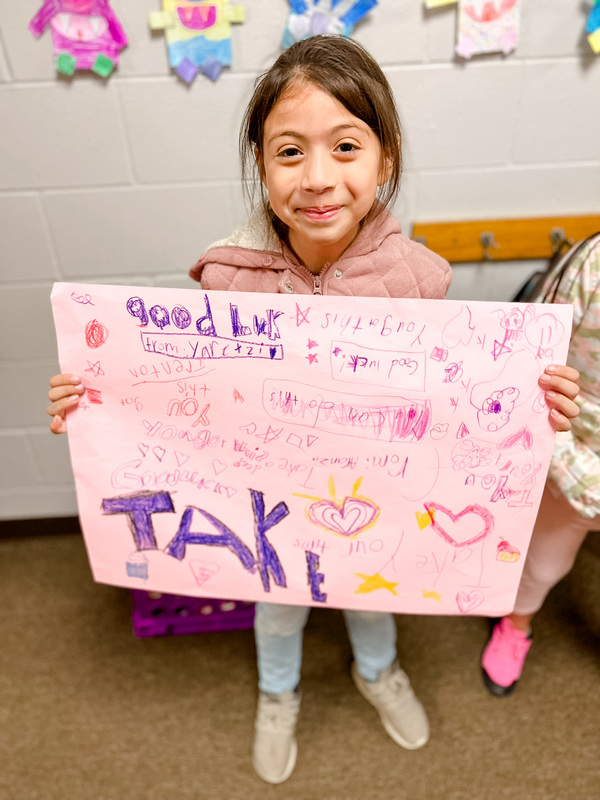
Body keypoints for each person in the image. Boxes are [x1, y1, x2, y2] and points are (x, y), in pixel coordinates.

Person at [47, 35, 580, 784]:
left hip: (375, 495)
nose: (318, 178)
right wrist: (96, 396)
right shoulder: (230, 277)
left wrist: (531, 404)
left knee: (372, 601)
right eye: (289, 152)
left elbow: (453, 400)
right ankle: (278, 693)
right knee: (278, 609)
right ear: (261, 168)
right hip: (266, 499)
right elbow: (184, 396)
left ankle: (377, 672)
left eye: (346, 146)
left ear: (385, 160)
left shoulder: (419, 281)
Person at [481, 233, 600, 698]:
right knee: (544, 566)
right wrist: (577, 474)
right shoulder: (591, 269)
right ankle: (515, 626)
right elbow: (538, 382)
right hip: (576, 457)